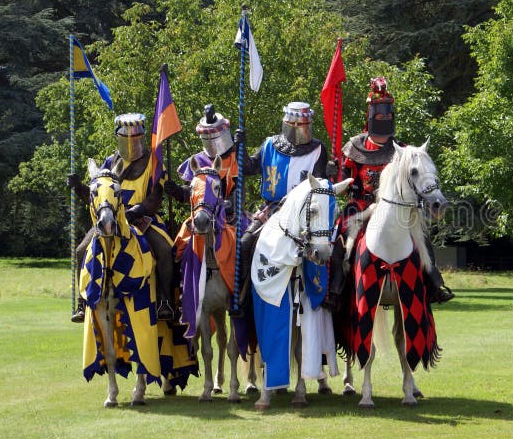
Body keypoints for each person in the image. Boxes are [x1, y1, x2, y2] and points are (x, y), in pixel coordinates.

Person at [324, 77, 454, 311]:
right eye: (379, 113)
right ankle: (336, 289)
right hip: (361, 206)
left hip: (396, 208)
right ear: (370, 115)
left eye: (387, 113)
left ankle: (434, 283)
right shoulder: (354, 147)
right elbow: (340, 182)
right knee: (339, 240)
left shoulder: (402, 149)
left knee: (421, 238)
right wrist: (333, 172)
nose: (384, 117)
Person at [67, 113, 176, 322]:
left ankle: (165, 301)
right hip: (111, 218)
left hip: (144, 220)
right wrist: (78, 187)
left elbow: (155, 198)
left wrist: (137, 210)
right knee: (81, 251)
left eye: (135, 139)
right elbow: (96, 196)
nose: (130, 143)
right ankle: (83, 302)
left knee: (164, 250)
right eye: (126, 138)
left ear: (142, 137)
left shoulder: (154, 163)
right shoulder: (110, 161)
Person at [234, 101, 330, 316]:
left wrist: (330, 172)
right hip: (271, 209)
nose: (301, 131)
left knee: (323, 243)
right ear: (288, 124)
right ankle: (242, 296)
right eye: (297, 126)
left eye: (305, 126)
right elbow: (248, 168)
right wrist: (238, 147)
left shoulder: (318, 149)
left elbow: (321, 185)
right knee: (245, 242)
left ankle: (324, 292)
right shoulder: (270, 144)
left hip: (303, 212)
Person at [164, 104, 242, 224]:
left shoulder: (235, 158)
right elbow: (192, 191)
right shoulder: (197, 160)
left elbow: (240, 190)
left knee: (246, 239)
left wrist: (229, 205)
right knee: (181, 241)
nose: (212, 143)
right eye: (207, 138)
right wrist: (177, 191)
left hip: (229, 215)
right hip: (201, 212)